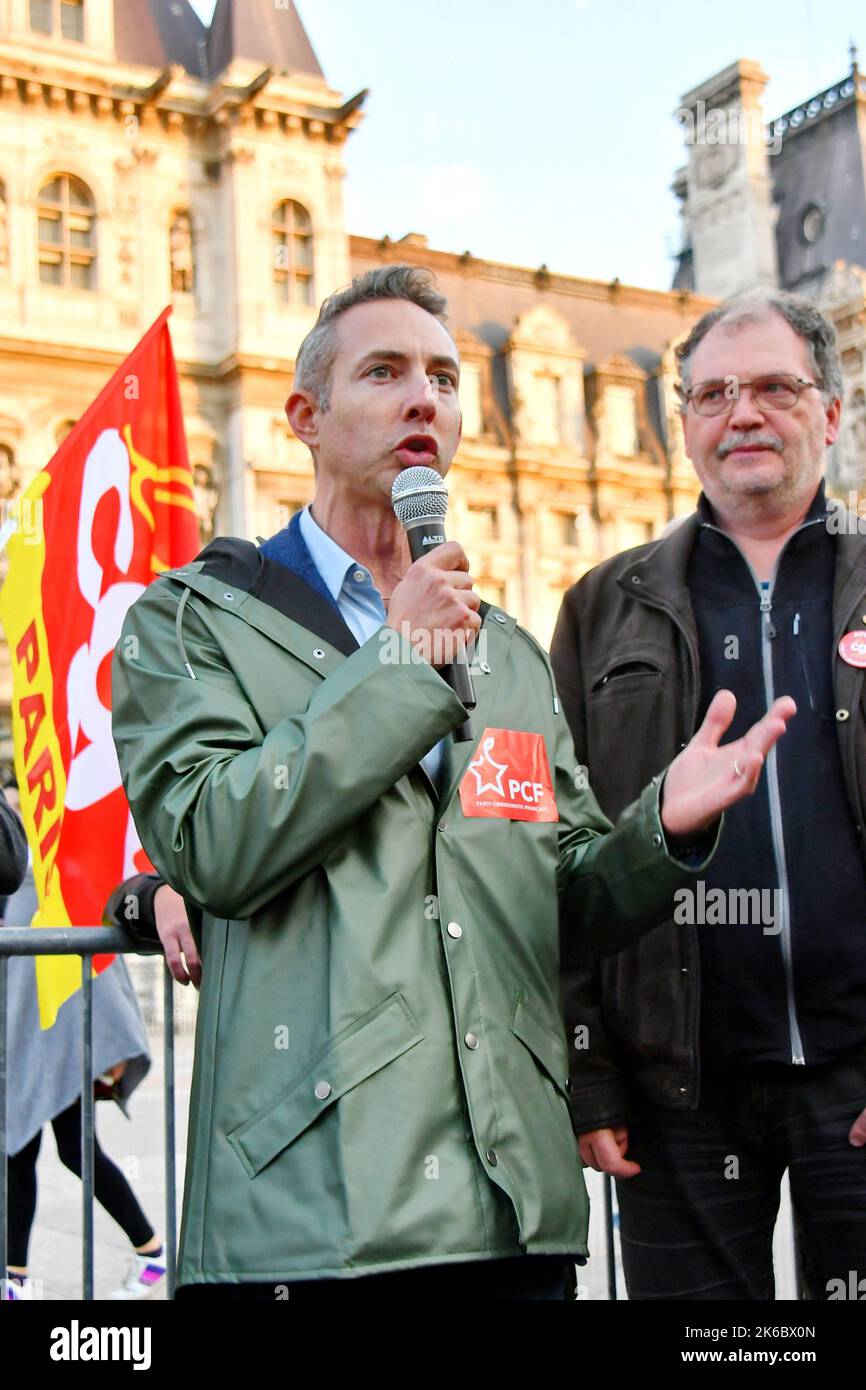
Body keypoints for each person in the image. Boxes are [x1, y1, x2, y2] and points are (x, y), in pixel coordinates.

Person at [111, 265, 792, 1301]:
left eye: (442, 374)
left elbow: (560, 895)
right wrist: (399, 666)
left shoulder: (507, 651)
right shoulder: (191, 619)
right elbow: (210, 841)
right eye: (382, 372)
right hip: (314, 1220)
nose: (422, 396)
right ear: (304, 415)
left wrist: (661, 825)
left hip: (510, 1213)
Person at [551, 286, 866, 1301]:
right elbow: (552, 848)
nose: (742, 413)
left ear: (827, 412)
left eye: (775, 388)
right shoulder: (602, 605)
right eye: (713, 393)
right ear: (682, 420)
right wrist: (590, 1070)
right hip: (674, 1099)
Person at [2, 786, 167, 1301]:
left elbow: (91, 959)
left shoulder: (52, 870)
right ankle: (149, 1254)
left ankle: (17, 1279)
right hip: (40, 1038)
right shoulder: (32, 874)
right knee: (62, 1150)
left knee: (29, 1149)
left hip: (61, 1035)